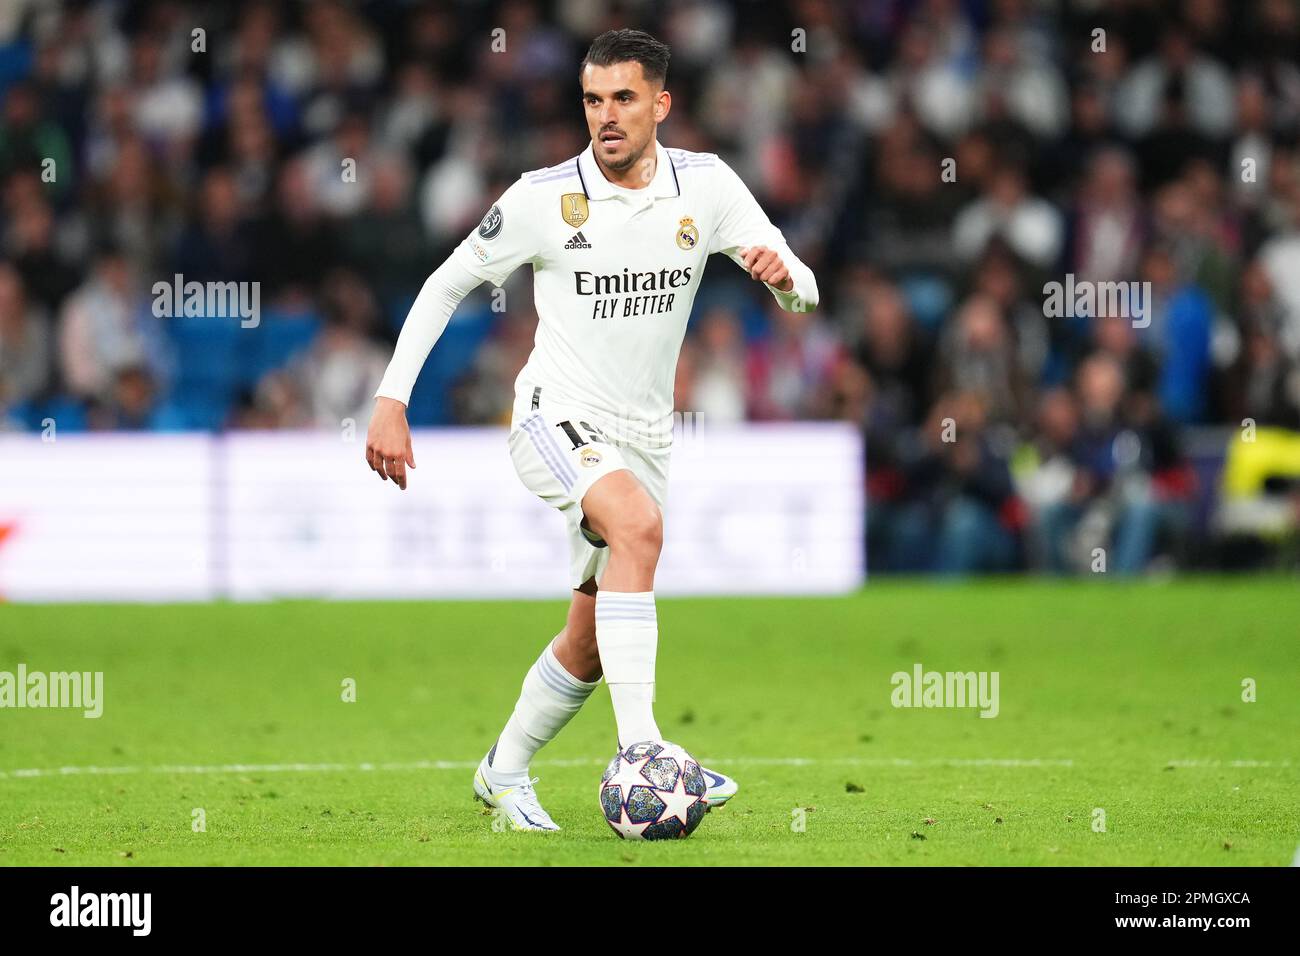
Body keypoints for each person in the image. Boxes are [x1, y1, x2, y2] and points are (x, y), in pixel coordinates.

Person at [363, 30, 818, 833]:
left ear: (660, 104)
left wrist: (788, 285)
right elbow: (444, 285)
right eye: (592, 100)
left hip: (645, 434)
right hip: (552, 415)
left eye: (623, 99)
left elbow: (800, 281)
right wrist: (392, 400)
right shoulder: (545, 197)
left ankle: (501, 772)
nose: (605, 117)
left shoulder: (705, 187)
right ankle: (644, 753)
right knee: (638, 526)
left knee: (593, 636)